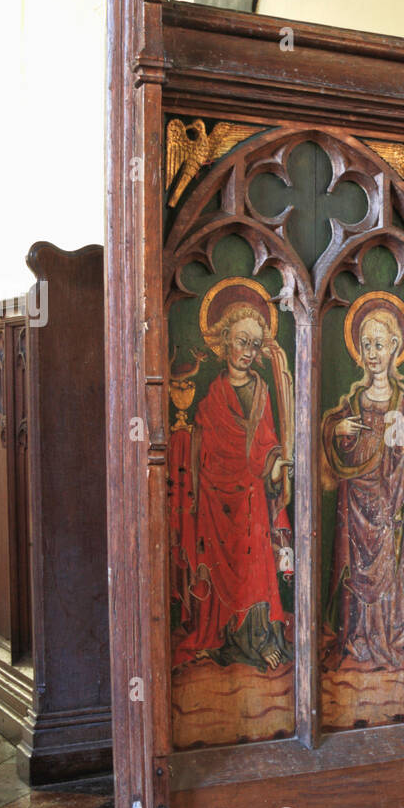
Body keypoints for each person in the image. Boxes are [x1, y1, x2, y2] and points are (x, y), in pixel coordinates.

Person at [172, 284, 292, 671]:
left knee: (256, 560)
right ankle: (222, 635)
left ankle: (258, 637)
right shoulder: (210, 396)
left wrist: (275, 464)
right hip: (215, 498)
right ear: (224, 342)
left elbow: (268, 442)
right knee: (218, 561)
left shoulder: (261, 390)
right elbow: (203, 451)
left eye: (255, 345)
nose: (248, 351)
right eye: (242, 341)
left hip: (253, 494)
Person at [321, 294, 404, 671]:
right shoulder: (353, 400)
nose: (372, 353)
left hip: (389, 498)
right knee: (358, 566)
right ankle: (360, 635)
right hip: (355, 500)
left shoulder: (403, 402)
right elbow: (336, 442)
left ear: (395, 349)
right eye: (366, 345)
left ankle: (395, 631)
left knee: (391, 562)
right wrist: (337, 429)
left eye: (379, 345)